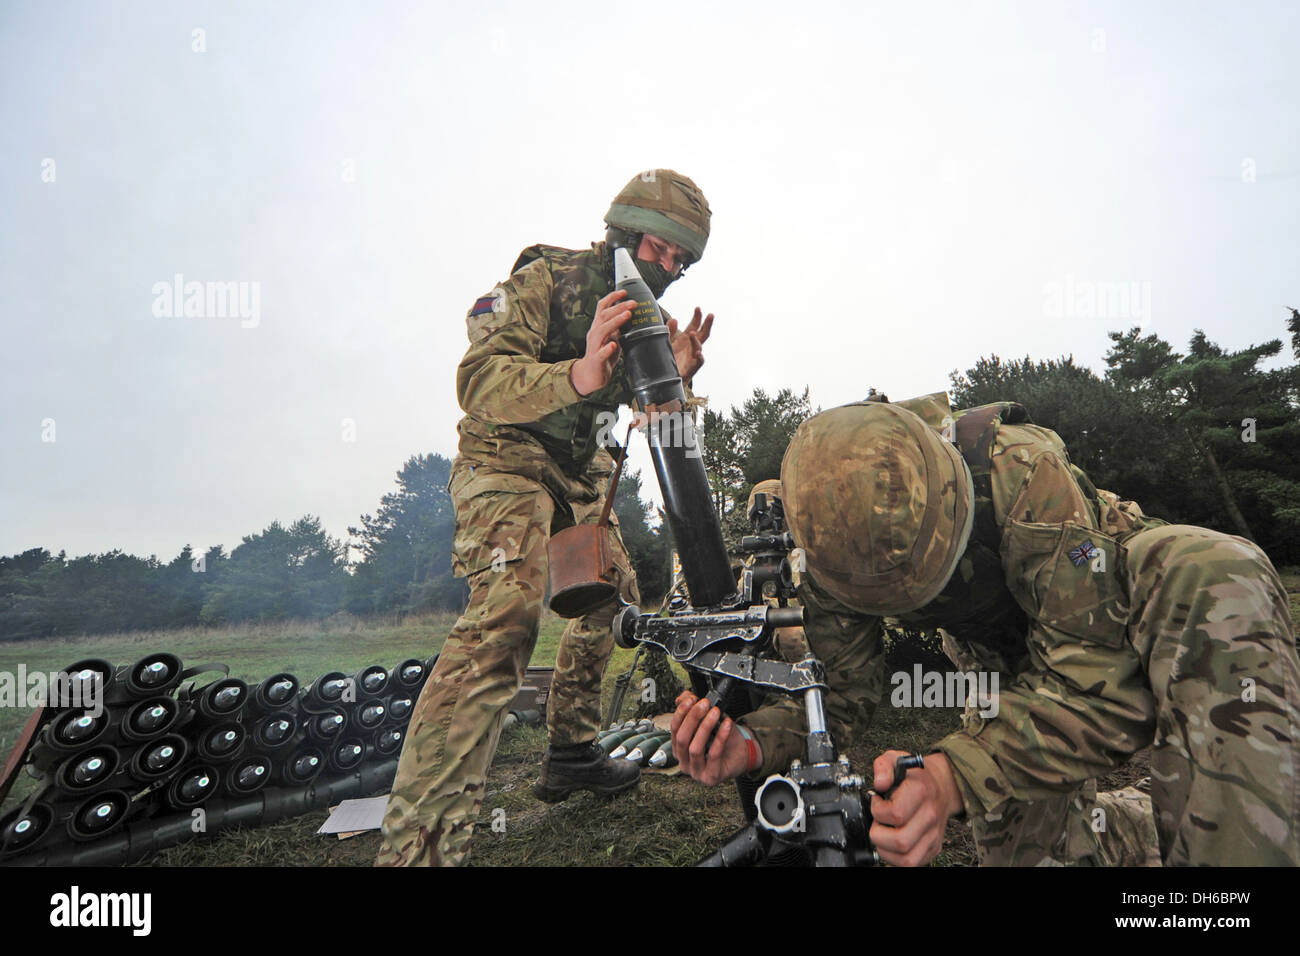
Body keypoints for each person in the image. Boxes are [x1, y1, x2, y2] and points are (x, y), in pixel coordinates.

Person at [671, 392, 1300, 866]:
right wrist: (752, 743)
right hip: (998, 660)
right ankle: (1141, 823)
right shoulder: (837, 551)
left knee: (1211, 572)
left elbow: (1094, 683)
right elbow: (841, 699)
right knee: (1039, 854)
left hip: (1113, 613)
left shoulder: (1024, 475)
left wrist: (954, 774)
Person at [375, 169, 716, 866]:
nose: (670, 267)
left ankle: (570, 751)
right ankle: (420, 850)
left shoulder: (643, 315)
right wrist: (579, 375)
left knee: (612, 599)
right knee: (507, 612)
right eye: (660, 248)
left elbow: (657, 421)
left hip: (579, 477)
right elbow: (479, 381)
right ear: (624, 231)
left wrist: (675, 377)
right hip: (505, 458)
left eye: (682, 260)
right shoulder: (546, 279)